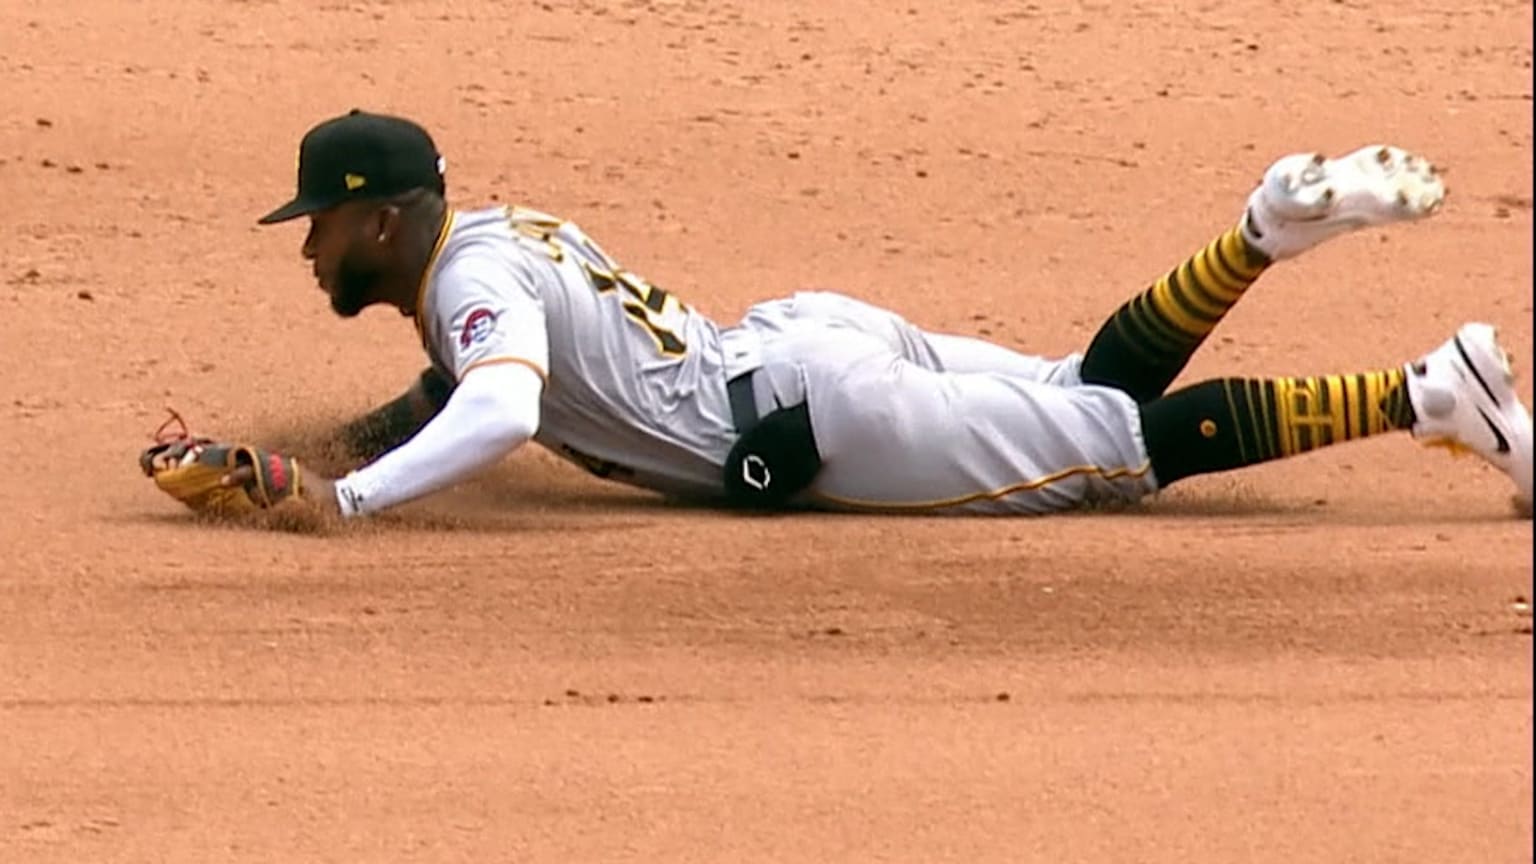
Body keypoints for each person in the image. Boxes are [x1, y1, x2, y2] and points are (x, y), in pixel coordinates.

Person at [235, 108, 1533, 519]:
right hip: (803, 343)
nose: (311, 245)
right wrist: (300, 464)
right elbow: (467, 391)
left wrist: (346, 506)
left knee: (1121, 453)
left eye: (324, 222)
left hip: (824, 422)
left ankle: (1426, 392)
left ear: (389, 219)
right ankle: (1261, 236)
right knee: (1080, 384)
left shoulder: (465, 288)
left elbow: (507, 403)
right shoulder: (491, 242)